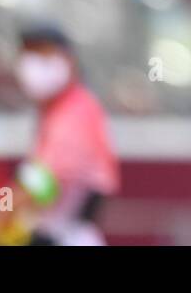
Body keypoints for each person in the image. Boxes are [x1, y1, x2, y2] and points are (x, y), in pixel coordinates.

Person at [8, 25, 120, 245]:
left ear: (69, 61)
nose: (35, 64)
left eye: (44, 54)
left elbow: (40, 186)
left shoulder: (76, 111)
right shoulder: (54, 113)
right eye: (29, 54)